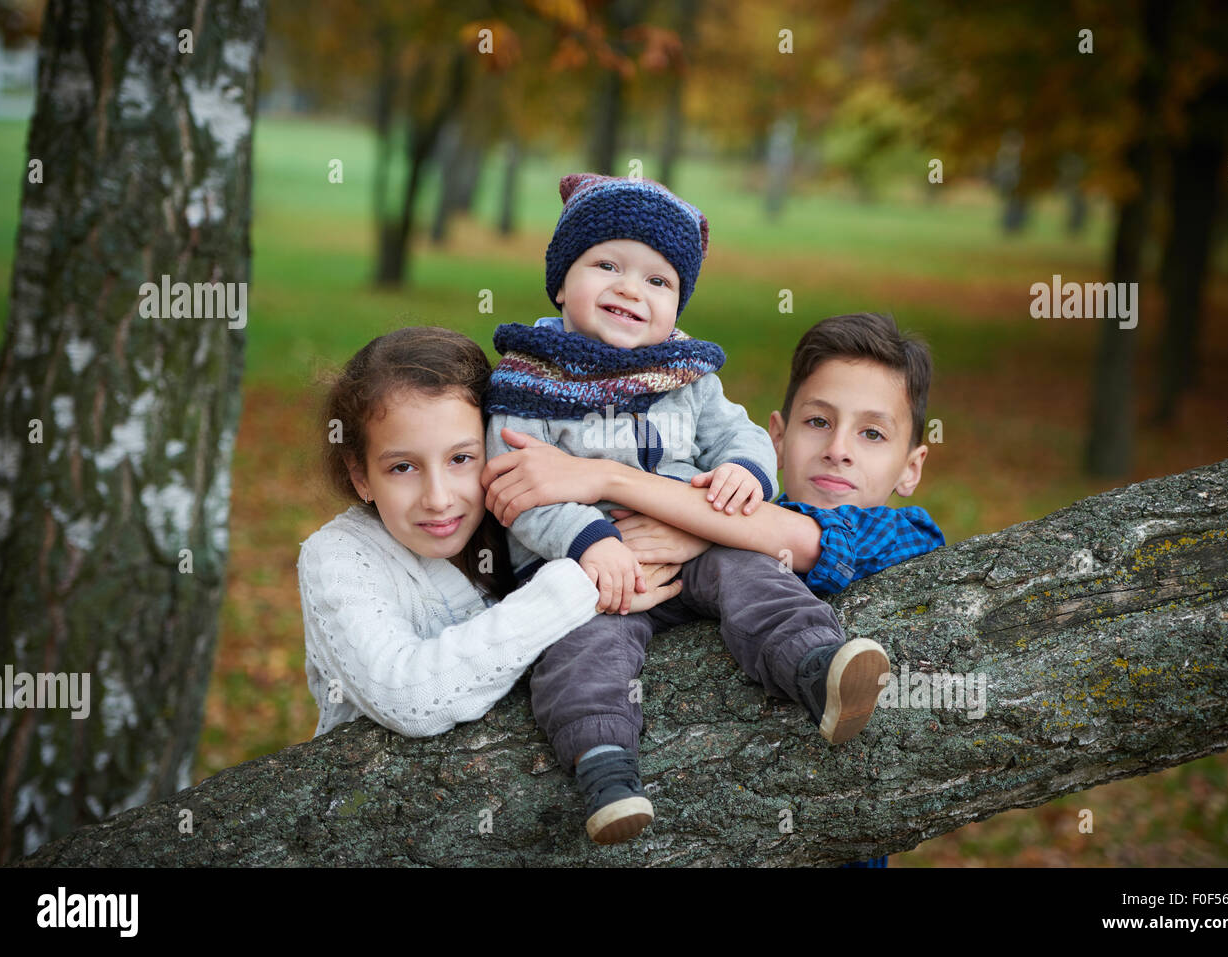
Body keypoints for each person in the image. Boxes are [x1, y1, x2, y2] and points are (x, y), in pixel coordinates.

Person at [483, 175, 893, 845]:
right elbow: (517, 494)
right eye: (606, 265)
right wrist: (592, 542)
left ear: (677, 303)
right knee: (581, 651)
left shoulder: (689, 376)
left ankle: (818, 665)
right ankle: (604, 766)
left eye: (657, 280)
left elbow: (741, 432)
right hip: (582, 572)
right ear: (561, 283)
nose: (628, 288)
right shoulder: (529, 378)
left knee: (755, 570)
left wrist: (744, 469)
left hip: (691, 547)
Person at [484, 312, 947, 864]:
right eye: (818, 422)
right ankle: (603, 762)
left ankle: (820, 671)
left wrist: (615, 482)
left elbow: (804, 539)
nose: (839, 449)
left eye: (872, 433)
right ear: (776, 436)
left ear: (911, 467)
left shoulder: (907, 535)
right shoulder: (734, 503)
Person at [296, 326, 684, 741]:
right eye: (402, 467)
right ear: (361, 477)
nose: (438, 498)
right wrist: (583, 586)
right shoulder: (337, 556)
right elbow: (407, 697)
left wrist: (688, 531)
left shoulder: (532, 521)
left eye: (461, 458)